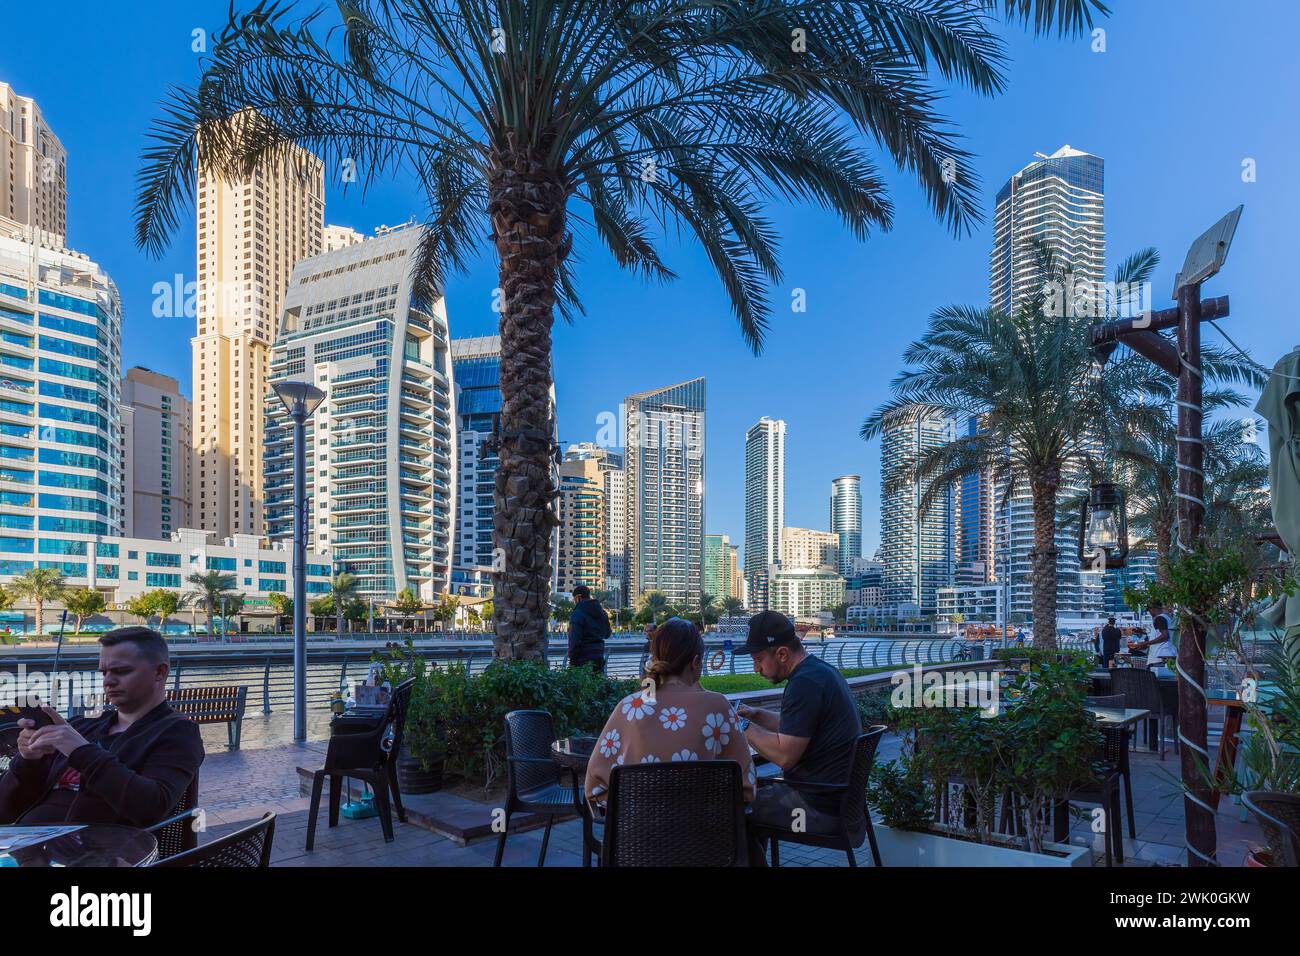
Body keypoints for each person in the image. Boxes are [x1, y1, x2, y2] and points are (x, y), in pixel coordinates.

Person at [0, 627, 205, 827]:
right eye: (104, 672)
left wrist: (81, 751)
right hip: (27, 848)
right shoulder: (81, 726)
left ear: (160, 672)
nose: (108, 681)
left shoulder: (178, 733)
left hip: (99, 853)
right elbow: (6, 809)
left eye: (122, 671)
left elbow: (150, 807)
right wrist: (28, 761)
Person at [584, 618, 755, 809]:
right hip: (705, 835)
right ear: (696, 662)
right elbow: (747, 788)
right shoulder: (717, 706)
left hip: (637, 836)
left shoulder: (629, 707)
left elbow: (594, 787)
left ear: (654, 658)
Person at [734, 611, 862, 866]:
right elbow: (799, 727)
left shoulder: (804, 684)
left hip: (815, 810)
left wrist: (741, 725)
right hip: (840, 803)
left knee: (735, 809)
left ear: (782, 654)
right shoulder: (819, 672)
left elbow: (785, 757)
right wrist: (757, 715)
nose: (756, 668)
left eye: (758, 659)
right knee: (756, 797)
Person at [567, 585, 611, 673]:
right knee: (597, 684)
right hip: (599, 657)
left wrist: (572, 659)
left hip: (582, 660)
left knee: (583, 685)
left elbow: (575, 639)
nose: (575, 602)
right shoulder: (602, 613)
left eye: (574, 599)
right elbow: (607, 634)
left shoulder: (577, 613)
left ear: (578, 597)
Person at [1127, 603, 1177, 675]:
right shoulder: (1167, 618)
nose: (1149, 613)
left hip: (1159, 658)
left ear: (1153, 609)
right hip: (1165, 657)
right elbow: (1160, 637)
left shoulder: (1159, 618)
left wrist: (1146, 643)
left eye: (1149, 610)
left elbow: (1165, 636)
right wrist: (1145, 645)